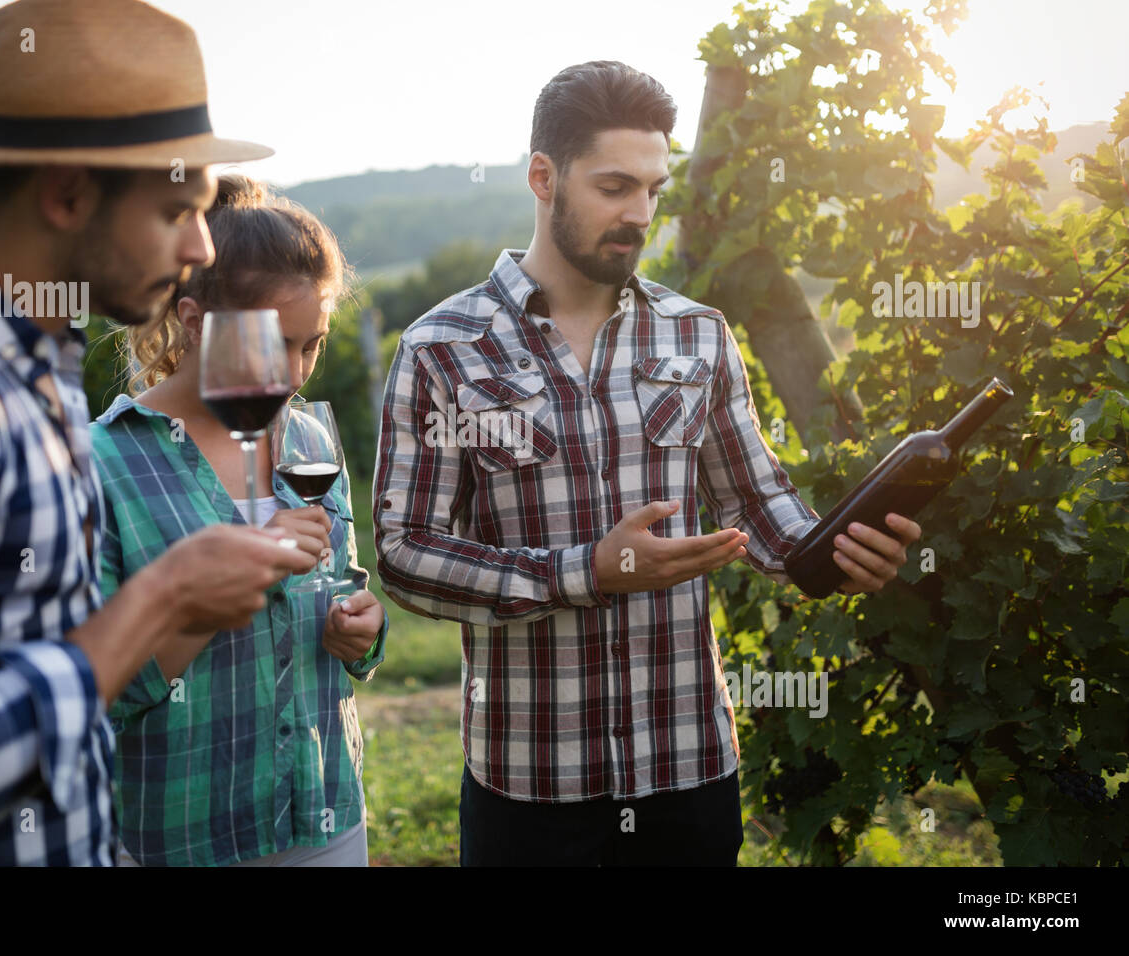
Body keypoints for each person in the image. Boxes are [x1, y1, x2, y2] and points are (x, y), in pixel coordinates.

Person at [371, 60, 923, 867]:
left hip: (688, 772)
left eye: (654, 190)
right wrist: (583, 570)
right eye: (615, 186)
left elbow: (759, 505)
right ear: (542, 176)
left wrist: (833, 554)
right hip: (533, 784)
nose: (639, 213)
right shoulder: (442, 350)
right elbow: (404, 553)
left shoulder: (697, 335)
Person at [0, 0, 314, 866]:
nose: (202, 244)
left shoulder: (40, 357)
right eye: (177, 210)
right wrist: (162, 598)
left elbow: (49, 696)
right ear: (66, 192)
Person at [91, 173, 387, 867]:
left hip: (324, 820)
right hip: (183, 837)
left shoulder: (311, 441)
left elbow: (342, 589)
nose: (293, 374)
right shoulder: (103, 464)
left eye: (310, 344)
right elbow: (93, 695)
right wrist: (214, 592)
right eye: (272, 343)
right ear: (195, 322)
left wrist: (362, 632)